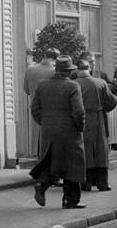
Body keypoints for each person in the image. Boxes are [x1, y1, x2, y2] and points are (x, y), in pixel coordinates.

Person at [30, 55, 87, 209]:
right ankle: (70, 200)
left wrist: (45, 122)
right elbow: (79, 111)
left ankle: (42, 185)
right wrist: (79, 127)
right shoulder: (73, 86)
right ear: (69, 71)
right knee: (73, 163)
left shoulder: (42, 86)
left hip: (48, 130)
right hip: (69, 130)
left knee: (51, 160)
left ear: (56, 70)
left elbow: (35, 109)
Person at [75, 55, 117, 192]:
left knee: (85, 150)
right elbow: (112, 102)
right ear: (88, 68)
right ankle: (102, 183)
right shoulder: (100, 83)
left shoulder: (73, 84)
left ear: (77, 70)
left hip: (81, 119)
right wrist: (102, 107)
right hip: (99, 118)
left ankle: (86, 183)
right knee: (100, 150)